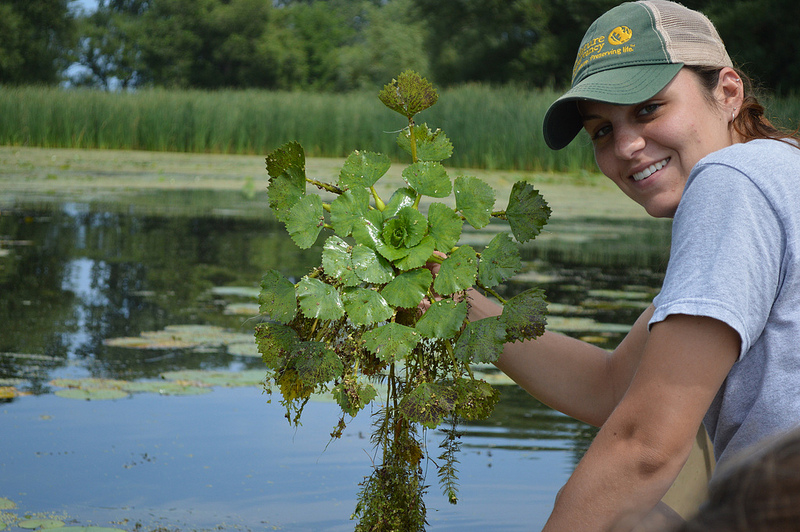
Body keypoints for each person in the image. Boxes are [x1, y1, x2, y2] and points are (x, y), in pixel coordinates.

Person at [461, 0, 800, 530]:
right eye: (601, 130)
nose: (627, 146)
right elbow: (614, 386)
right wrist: (461, 308)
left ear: (728, 93)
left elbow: (644, 446)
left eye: (648, 109)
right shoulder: (782, 172)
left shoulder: (734, 179)